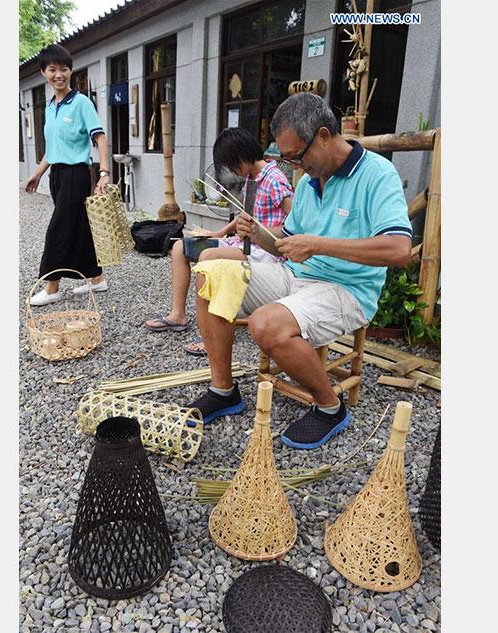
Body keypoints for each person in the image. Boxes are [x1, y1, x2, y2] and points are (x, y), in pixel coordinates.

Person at [185, 93, 413, 449]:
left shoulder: (376, 174)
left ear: (323, 135)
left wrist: (318, 245)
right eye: (287, 158)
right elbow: (289, 241)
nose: (294, 167)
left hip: (347, 289)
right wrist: (259, 233)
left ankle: (329, 406)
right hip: (297, 277)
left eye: (296, 156)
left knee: (265, 324)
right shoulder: (308, 181)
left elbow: (398, 250)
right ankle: (224, 389)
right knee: (212, 266)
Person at [143, 127, 293, 355]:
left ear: (241, 154)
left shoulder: (274, 179)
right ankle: (177, 315)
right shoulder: (252, 177)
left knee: (207, 258)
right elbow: (245, 216)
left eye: (231, 163)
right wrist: (219, 233)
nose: (231, 170)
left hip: (265, 252)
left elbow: (295, 223)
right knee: (180, 247)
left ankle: (212, 334)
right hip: (244, 244)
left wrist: (260, 233)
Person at [24, 44, 111, 306]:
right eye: (52, 69)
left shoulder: (81, 102)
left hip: (76, 174)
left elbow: (100, 137)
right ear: (43, 73)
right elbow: (52, 150)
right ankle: (96, 279)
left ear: (71, 71)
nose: (58, 74)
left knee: (58, 228)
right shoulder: (50, 107)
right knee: (80, 227)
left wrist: (104, 172)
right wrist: (37, 174)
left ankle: (52, 287)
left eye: (63, 68)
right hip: (57, 176)